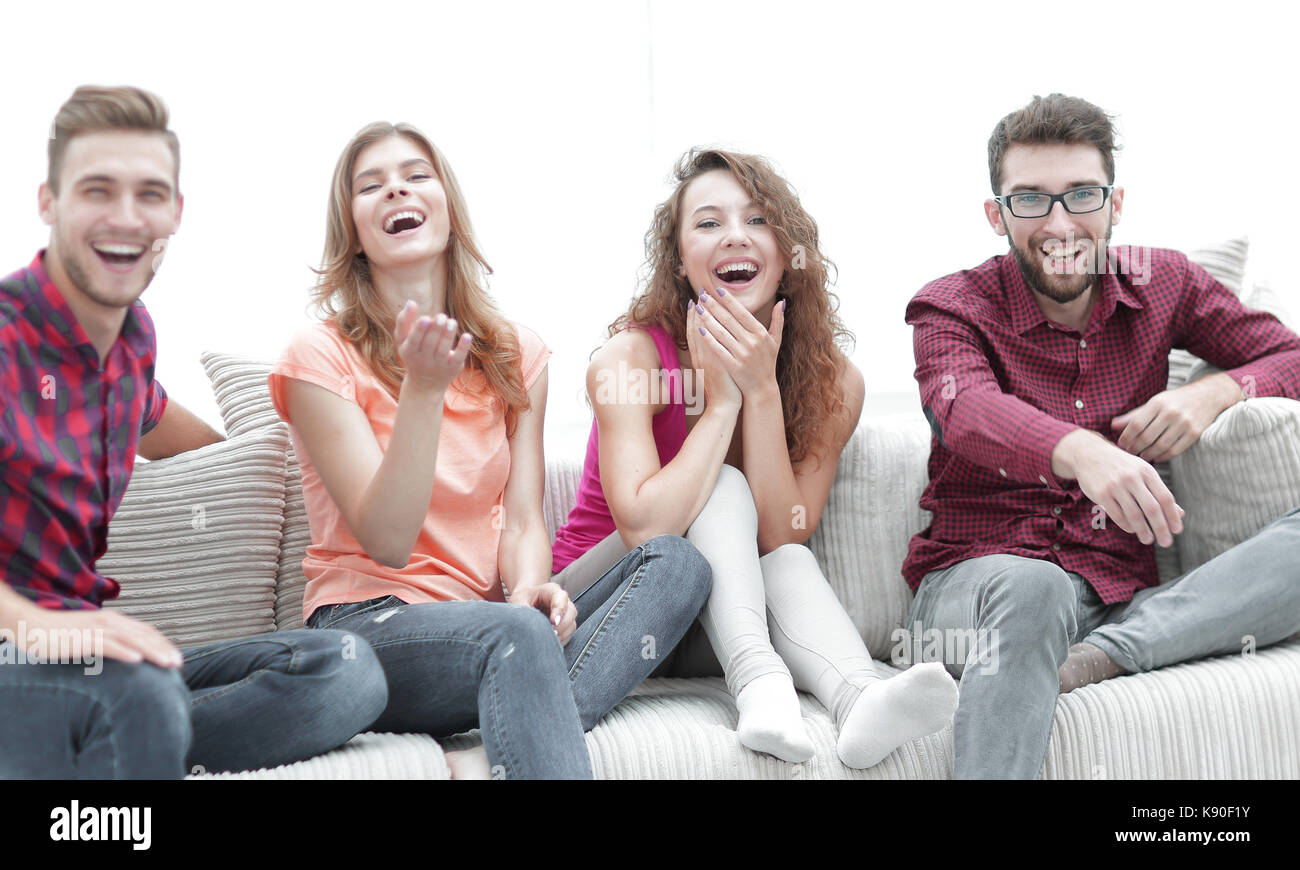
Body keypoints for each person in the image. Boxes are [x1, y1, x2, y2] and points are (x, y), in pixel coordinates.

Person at [269, 121, 710, 780]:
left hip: (493, 627)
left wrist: (532, 588)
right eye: (371, 185)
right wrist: (423, 389)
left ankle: (492, 736)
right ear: (352, 231)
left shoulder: (515, 353)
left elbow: (525, 518)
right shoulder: (319, 356)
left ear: (447, 205)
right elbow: (389, 539)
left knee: (678, 563)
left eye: (416, 175)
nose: (397, 190)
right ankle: (517, 688)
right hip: (373, 628)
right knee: (516, 636)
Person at [904, 93, 1300, 779]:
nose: (1059, 222)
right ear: (996, 214)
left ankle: (1109, 653)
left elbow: (1289, 355)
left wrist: (1215, 391)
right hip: (979, 589)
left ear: (1114, 204)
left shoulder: (1165, 283)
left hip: (1115, 594)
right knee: (1034, 591)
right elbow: (963, 407)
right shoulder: (950, 305)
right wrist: (1081, 452)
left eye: (1080, 194)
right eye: (1030, 199)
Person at [0, 85, 387, 779]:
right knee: (133, 696)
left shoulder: (127, 351)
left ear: (175, 213)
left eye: (149, 194)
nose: (125, 216)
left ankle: (104, 742)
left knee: (345, 668)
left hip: (87, 672)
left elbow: (189, 439)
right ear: (49, 203)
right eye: (97, 190)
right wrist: (45, 626)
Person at [551, 148, 958, 767]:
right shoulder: (629, 361)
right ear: (681, 262)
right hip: (602, 609)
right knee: (721, 486)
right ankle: (761, 683)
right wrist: (719, 407)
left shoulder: (832, 382)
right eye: (708, 223)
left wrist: (762, 392)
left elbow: (784, 534)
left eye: (758, 220)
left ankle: (859, 699)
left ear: (789, 255)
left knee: (783, 559)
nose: (734, 236)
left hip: (710, 622)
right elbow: (645, 532)